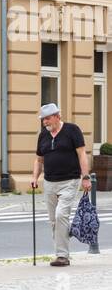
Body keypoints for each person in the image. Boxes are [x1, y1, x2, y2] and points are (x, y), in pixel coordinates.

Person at [31, 103, 93, 267]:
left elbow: (82, 154)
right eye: (43, 119)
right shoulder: (43, 135)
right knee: (54, 221)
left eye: (47, 118)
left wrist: (85, 177)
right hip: (49, 182)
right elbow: (39, 160)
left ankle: (62, 256)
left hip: (69, 181)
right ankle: (63, 242)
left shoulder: (72, 130)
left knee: (60, 216)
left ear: (57, 116)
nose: (45, 122)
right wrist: (34, 177)